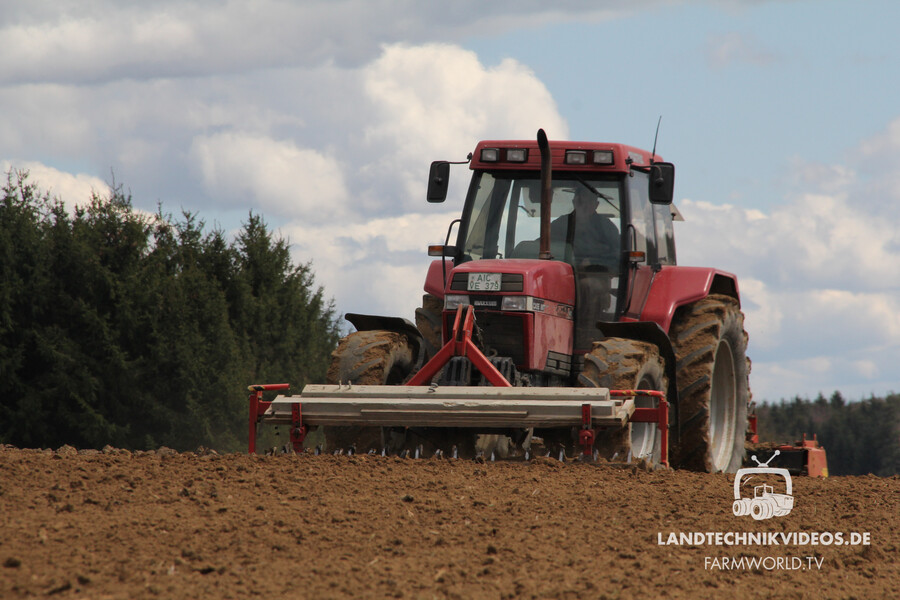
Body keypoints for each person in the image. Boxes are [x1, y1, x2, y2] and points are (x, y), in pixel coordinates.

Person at [550, 187, 619, 270]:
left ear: (596, 205)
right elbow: (544, 247)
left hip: (598, 274)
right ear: (574, 202)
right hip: (563, 274)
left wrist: (593, 263)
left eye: (589, 202)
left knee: (592, 282)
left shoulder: (607, 227)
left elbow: (617, 255)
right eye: (581, 202)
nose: (585, 206)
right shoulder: (559, 224)